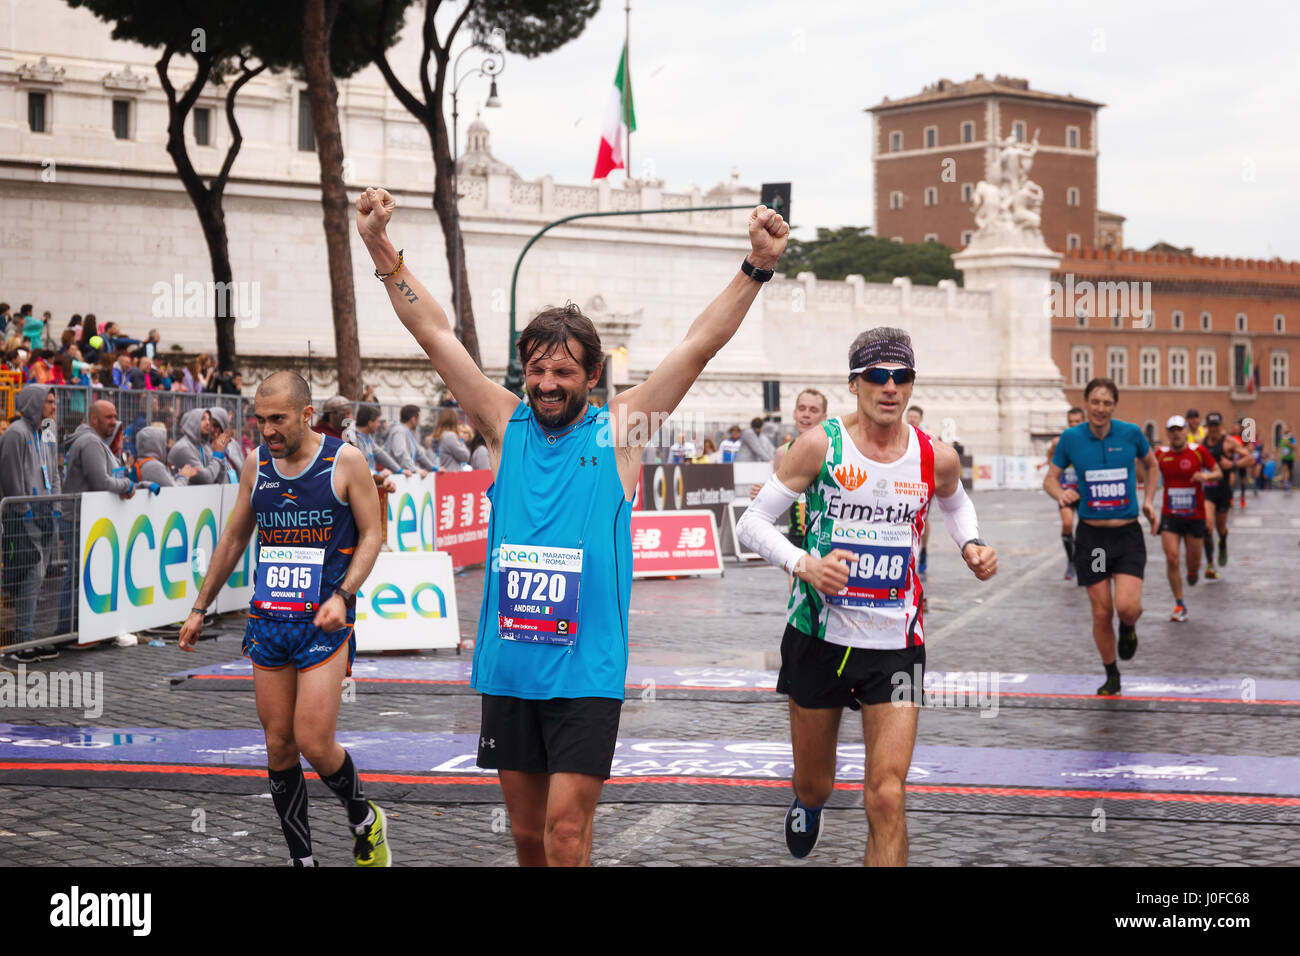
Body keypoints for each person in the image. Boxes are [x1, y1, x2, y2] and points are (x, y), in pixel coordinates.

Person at [357, 184, 789, 866]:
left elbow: (696, 348)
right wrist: (383, 249)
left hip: (586, 673)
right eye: (536, 370)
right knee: (528, 836)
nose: (547, 383)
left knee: (565, 831)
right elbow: (434, 333)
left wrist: (756, 266)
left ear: (592, 375)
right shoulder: (504, 423)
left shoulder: (622, 430)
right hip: (510, 668)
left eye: (563, 371)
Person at [736, 327, 997, 865]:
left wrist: (970, 543)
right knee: (815, 782)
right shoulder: (819, 446)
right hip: (818, 638)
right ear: (854, 383)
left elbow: (955, 501)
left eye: (901, 378)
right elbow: (752, 524)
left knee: (886, 794)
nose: (889, 388)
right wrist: (804, 564)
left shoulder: (933, 456)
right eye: (877, 376)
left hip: (896, 642)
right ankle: (808, 803)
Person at [179, 371, 387, 867]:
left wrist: (343, 594)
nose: (267, 430)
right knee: (278, 746)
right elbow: (232, 539)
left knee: (313, 740)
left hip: (322, 624)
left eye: (278, 419)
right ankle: (303, 860)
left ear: (307, 415)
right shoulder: (256, 464)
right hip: (269, 621)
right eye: (260, 420)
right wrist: (198, 607)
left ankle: (363, 817)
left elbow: (373, 533)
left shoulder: (344, 460)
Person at [1044, 377, 1158, 696]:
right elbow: (1050, 479)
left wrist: (1149, 500)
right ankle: (1112, 674)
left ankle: (1130, 628)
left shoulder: (1131, 434)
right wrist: (1060, 493)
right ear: (1086, 403)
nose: (1100, 409)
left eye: (1107, 403)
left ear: (1114, 406)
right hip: (1093, 539)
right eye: (1095, 402)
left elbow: (1152, 466)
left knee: (1127, 607)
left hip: (1127, 535)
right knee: (1102, 611)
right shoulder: (1071, 438)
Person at [1, 386, 62, 662]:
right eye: (48, 401)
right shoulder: (16, 433)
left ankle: (28, 635)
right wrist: (25, 511)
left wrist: (57, 505)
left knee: (38, 580)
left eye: (54, 401)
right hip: (25, 516)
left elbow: (55, 471)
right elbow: (11, 477)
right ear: (35, 403)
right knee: (31, 575)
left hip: (47, 513)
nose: (53, 406)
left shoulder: (47, 429)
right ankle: (22, 639)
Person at [1153, 415, 1221, 622]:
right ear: (1167, 434)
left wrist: (1205, 477)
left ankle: (1192, 574)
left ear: (1185, 432)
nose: (1176, 433)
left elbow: (1218, 472)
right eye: (1171, 430)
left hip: (1194, 516)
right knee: (1172, 558)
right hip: (1170, 516)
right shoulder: (1161, 455)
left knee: (1193, 566)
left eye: (1179, 429)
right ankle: (1179, 603)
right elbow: (1146, 473)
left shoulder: (1198, 452)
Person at [1200, 412, 1251, 579]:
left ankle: (1223, 543)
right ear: (1207, 427)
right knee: (1207, 526)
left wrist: (1233, 464)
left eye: (1216, 426)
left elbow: (1249, 458)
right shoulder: (1202, 444)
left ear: (1221, 426)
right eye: (1211, 426)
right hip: (1208, 491)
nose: (1213, 429)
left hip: (1223, 492)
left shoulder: (1229, 442)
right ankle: (1209, 564)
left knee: (1220, 527)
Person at [1041, 407, 1086, 579]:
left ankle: (1093, 564)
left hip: (1084, 493)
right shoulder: (1062, 442)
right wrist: (1052, 450)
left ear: (1083, 421)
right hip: (1065, 491)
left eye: (1077, 421)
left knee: (1086, 530)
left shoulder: (1088, 441)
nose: (1074, 425)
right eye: (1071, 422)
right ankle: (1071, 561)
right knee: (1067, 524)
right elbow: (1051, 461)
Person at [905, 406, 934, 577]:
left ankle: (923, 549)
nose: (912, 419)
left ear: (920, 419)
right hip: (903, 483)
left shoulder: (927, 436)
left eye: (915, 417)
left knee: (923, 518)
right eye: (910, 416)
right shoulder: (900, 433)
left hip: (922, 483)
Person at [167, 408, 229, 485]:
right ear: (193, 422)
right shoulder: (183, 448)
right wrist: (217, 455)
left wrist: (221, 455)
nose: (208, 423)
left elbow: (220, 479)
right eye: (203, 419)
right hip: (185, 496)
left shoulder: (205, 446)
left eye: (209, 419)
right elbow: (206, 479)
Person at [132, 424, 198, 487]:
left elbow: (166, 483)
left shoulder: (143, 463)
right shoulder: (153, 466)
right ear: (155, 444)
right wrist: (184, 476)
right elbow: (175, 491)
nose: (165, 445)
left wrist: (178, 476)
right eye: (163, 441)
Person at [354, 404, 404, 476]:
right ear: (370, 423)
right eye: (377, 421)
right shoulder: (354, 440)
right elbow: (358, 468)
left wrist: (399, 470)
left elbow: (380, 454)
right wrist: (377, 474)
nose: (379, 425)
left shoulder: (368, 438)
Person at [384, 404, 432, 476]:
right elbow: (400, 453)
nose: (419, 422)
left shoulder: (407, 432)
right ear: (413, 419)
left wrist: (433, 468)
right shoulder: (399, 431)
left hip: (406, 476)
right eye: (419, 419)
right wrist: (415, 470)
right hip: (398, 478)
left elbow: (419, 454)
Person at [434, 408, 470, 472]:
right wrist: (461, 440)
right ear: (454, 421)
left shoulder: (440, 435)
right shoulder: (450, 436)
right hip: (452, 474)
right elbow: (465, 456)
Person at [1280, 424, 1295, 492]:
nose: (1285, 430)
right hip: (1284, 457)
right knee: (1284, 469)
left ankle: (1289, 483)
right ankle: (1284, 484)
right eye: (1284, 428)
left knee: (1290, 471)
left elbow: (1294, 447)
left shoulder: (1292, 438)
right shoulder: (1282, 438)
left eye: (1287, 428)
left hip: (1290, 457)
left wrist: (1288, 443)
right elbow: (1281, 447)